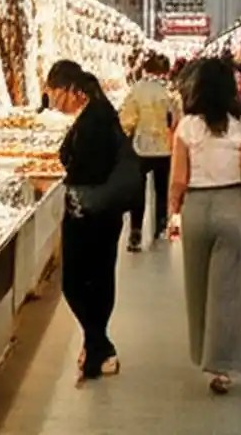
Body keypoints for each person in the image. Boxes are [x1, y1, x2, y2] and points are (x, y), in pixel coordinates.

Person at [167, 58, 241, 395]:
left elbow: (178, 179)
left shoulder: (186, 127)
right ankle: (221, 367)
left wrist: (172, 213)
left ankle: (203, 354)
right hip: (233, 206)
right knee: (230, 290)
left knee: (199, 288)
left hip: (196, 208)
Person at [45, 60, 126, 380]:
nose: (54, 103)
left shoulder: (94, 121)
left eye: (55, 94)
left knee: (76, 282)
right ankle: (97, 346)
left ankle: (99, 346)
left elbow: (82, 167)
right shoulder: (97, 113)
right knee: (98, 279)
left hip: (89, 211)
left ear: (72, 91)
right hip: (102, 211)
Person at [119, 54, 179, 249]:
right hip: (165, 149)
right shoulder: (169, 91)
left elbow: (127, 121)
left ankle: (135, 231)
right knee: (161, 190)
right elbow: (177, 119)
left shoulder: (137, 90)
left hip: (140, 148)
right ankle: (160, 227)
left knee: (138, 191)